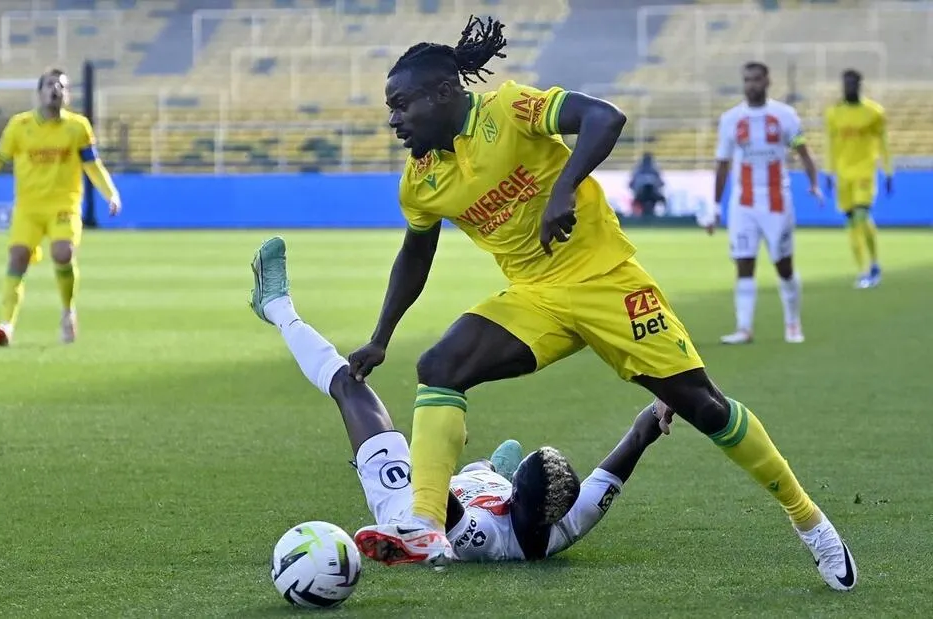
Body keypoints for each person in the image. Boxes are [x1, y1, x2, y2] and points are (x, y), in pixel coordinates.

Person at [345, 17, 856, 591]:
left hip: (608, 281)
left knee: (704, 407)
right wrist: (382, 335)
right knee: (439, 367)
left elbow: (604, 117)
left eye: (400, 104)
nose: (393, 121)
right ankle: (425, 525)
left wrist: (562, 189)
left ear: (443, 92)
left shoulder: (510, 109)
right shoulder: (420, 180)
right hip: (535, 298)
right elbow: (416, 255)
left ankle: (810, 521)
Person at [250, 236, 667, 563]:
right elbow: (632, 444)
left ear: (516, 496)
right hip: (473, 493)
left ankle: (277, 307)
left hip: (412, 509)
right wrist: (665, 402)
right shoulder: (572, 513)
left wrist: (440, 439)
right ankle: (487, 470)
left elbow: (438, 497)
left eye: (514, 479)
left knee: (349, 386)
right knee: (476, 470)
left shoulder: (487, 540)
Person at [0, 68, 122, 347]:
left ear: (68, 94)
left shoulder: (78, 127)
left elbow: (92, 165)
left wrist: (111, 194)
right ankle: (6, 324)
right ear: (39, 92)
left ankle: (67, 311)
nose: (56, 90)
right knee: (17, 257)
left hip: (64, 205)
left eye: (62, 86)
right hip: (29, 208)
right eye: (50, 85)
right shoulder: (20, 125)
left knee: (63, 253)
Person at [712, 62, 822, 345]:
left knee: (783, 265)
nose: (751, 84)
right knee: (743, 263)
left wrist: (814, 183)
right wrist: (715, 206)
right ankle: (744, 328)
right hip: (744, 203)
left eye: (756, 79)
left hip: (776, 201)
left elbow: (803, 151)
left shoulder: (785, 115)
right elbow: (722, 165)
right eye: (747, 79)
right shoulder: (731, 119)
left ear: (767, 81)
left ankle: (793, 323)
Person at [824, 69, 892, 289]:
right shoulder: (834, 113)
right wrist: (829, 172)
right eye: (846, 83)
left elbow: (883, 143)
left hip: (864, 172)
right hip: (843, 174)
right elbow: (831, 146)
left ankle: (874, 264)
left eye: (853, 83)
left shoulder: (874, 112)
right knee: (851, 221)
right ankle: (862, 269)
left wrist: (888, 171)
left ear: (860, 85)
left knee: (862, 215)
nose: (849, 87)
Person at [629, 152, 666, 220]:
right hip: (642, 195)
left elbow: (661, 183)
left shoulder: (654, 170)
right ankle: (634, 216)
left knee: (663, 199)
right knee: (634, 202)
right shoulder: (639, 170)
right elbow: (631, 184)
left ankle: (664, 216)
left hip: (652, 194)